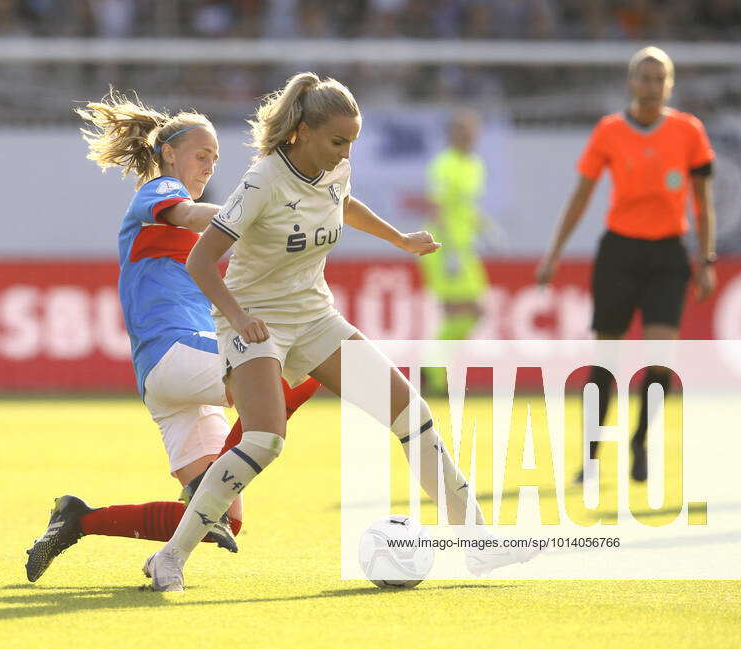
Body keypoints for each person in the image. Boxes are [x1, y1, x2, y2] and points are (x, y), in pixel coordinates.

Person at [144, 72, 540, 592]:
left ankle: (480, 546)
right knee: (264, 440)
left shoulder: (336, 168)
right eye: (337, 141)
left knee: (412, 415)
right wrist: (239, 318)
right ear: (302, 131)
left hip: (314, 317)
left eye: (352, 141)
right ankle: (171, 557)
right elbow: (201, 261)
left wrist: (398, 238)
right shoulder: (263, 180)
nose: (345, 152)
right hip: (255, 318)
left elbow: (343, 203)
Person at [23, 91, 320, 582]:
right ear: (168, 154)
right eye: (201, 156)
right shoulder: (158, 191)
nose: (208, 166)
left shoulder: (198, 224)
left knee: (221, 519)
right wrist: (261, 213)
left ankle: (78, 519)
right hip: (176, 352)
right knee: (297, 375)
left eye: (215, 159)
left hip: (171, 376)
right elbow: (189, 215)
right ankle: (203, 490)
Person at [535, 46, 717, 483]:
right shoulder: (610, 131)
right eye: (645, 78)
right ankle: (592, 456)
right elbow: (581, 196)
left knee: (658, 359)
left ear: (670, 85)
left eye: (661, 79)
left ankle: (638, 444)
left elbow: (703, 202)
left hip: (668, 254)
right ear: (631, 83)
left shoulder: (689, 131)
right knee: (607, 358)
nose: (653, 86)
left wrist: (706, 259)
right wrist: (554, 253)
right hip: (619, 252)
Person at [419, 109, 490, 391]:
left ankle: (434, 370)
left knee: (465, 313)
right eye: (464, 132)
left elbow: (466, 207)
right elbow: (436, 209)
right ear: (452, 135)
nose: (470, 137)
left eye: (473, 132)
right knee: (470, 310)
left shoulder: (475, 166)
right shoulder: (443, 165)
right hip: (444, 248)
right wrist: (447, 253)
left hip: (464, 248)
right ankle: (434, 370)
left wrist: (484, 227)